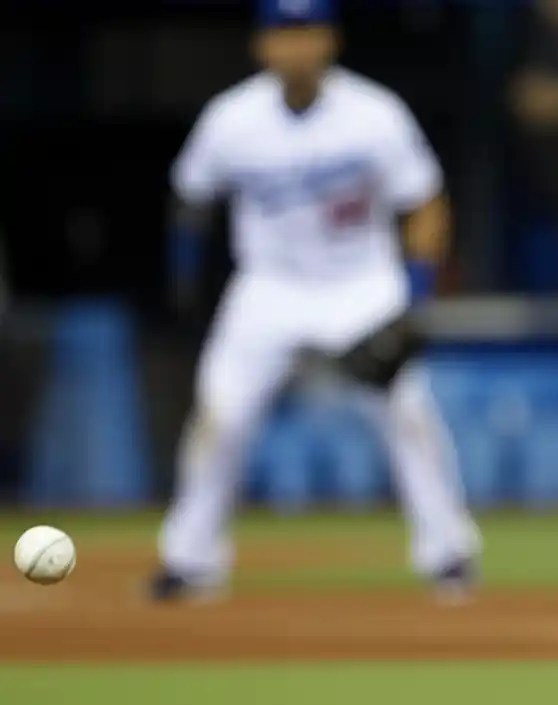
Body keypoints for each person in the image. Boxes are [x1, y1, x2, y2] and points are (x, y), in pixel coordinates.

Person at [150, 0, 481, 603]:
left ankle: (448, 553)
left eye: (307, 32)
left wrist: (415, 299)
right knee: (220, 415)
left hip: (360, 283)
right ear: (262, 45)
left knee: (408, 414)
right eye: (284, 32)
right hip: (268, 285)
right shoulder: (232, 118)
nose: (296, 46)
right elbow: (190, 196)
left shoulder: (373, 113)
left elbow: (425, 202)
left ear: (330, 40)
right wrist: (184, 280)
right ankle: (189, 559)